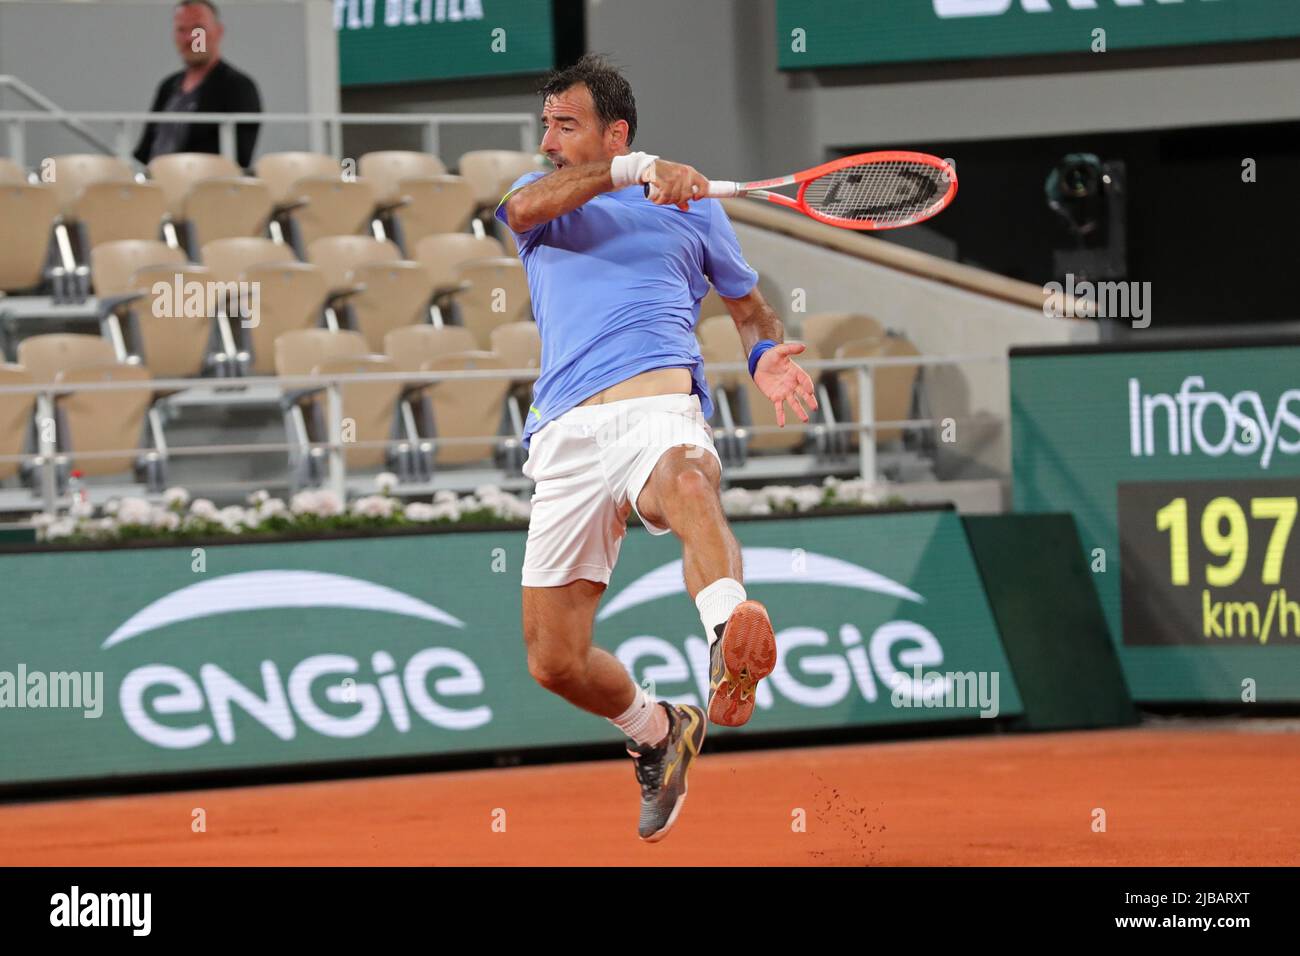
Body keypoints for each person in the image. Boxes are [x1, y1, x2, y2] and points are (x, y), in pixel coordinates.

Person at [497, 54, 817, 842]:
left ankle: (726, 635)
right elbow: (527, 206)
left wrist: (762, 353)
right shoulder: (544, 200)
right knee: (555, 662)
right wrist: (631, 171)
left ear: (615, 128)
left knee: (687, 482)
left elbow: (748, 308)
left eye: (565, 126)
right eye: (546, 125)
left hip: (658, 407)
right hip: (565, 435)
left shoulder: (698, 208)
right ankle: (657, 730)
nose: (548, 140)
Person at [133, 0, 262, 171]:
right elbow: (144, 151)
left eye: (198, 29)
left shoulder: (238, 87)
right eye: (181, 30)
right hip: (154, 187)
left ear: (218, 31)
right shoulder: (168, 86)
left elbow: (238, 159)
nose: (190, 38)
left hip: (205, 190)